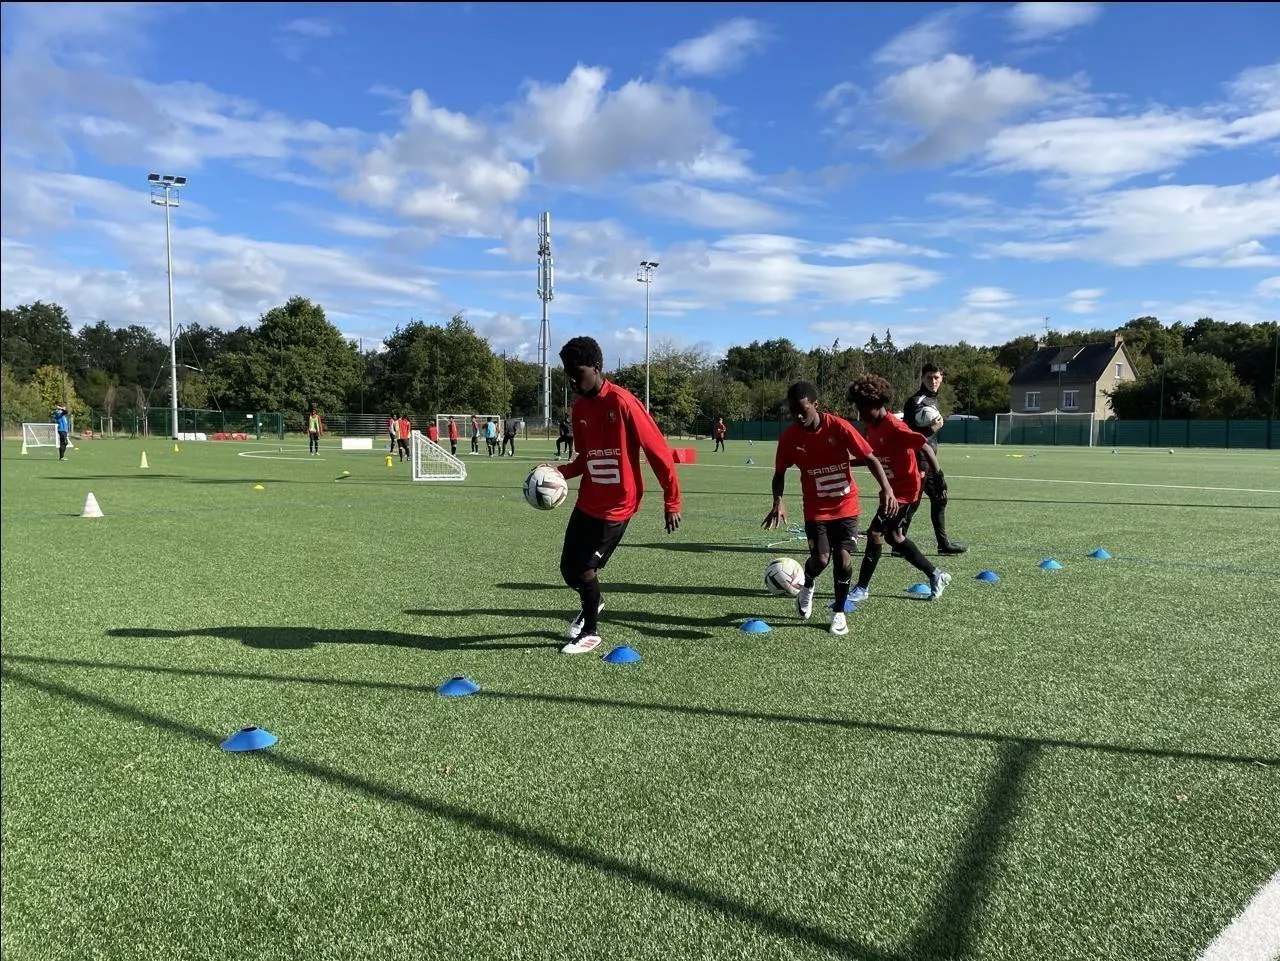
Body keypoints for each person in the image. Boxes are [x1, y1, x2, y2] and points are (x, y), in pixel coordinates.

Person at [544, 335, 681, 654]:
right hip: (588, 503)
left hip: (618, 507)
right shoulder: (579, 409)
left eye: (577, 373)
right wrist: (557, 472)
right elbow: (584, 459)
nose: (573, 381)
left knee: (585, 570)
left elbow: (659, 453)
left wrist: (671, 500)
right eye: (568, 374)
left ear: (596, 367)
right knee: (568, 570)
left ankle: (591, 632)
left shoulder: (623, 402)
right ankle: (595, 602)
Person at [763, 381, 896, 636]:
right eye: (793, 411)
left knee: (844, 560)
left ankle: (839, 613)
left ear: (816, 405)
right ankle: (807, 585)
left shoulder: (839, 427)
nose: (798, 416)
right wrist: (777, 500)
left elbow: (869, 458)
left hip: (846, 505)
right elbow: (779, 472)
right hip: (816, 509)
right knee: (821, 559)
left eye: (803, 409)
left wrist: (887, 489)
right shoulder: (790, 438)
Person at [846, 374, 953, 602]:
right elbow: (871, 457)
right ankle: (936, 575)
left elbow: (924, 447)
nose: (860, 414)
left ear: (876, 404)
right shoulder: (872, 427)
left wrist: (939, 477)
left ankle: (862, 588)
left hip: (906, 491)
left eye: (862, 408)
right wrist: (844, 463)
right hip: (892, 489)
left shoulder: (894, 426)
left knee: (876, 533)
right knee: (894, 538)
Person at [901, 364, 966, 555]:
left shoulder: (932, 401)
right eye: (929, 378)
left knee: (940, 497)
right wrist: (931, 430)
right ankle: (899, 541)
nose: (933, 381)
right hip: (918, 458)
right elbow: (909, 435)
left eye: (937, 377)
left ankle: (943, 544)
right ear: (922, 378)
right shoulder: (915, 401)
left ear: (942, 378)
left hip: (930, 460)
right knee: (913, 502)